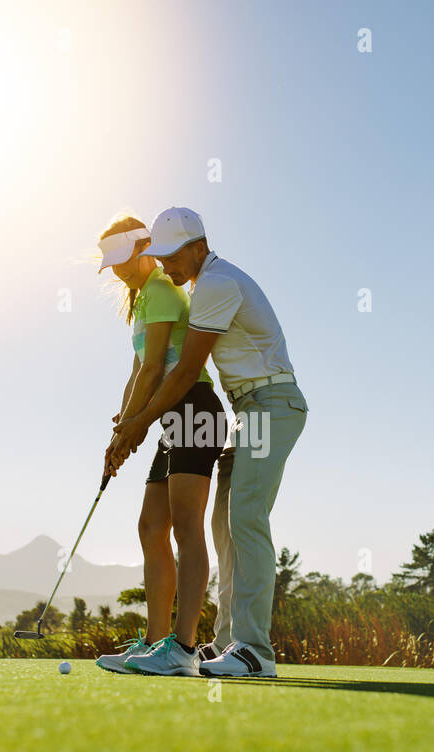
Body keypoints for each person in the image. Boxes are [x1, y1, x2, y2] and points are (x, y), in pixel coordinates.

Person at [107, 207, 307, 678]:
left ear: (198, 247)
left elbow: (181, 372)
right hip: (245, 411)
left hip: (271, 403)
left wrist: (138, 423)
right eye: (160, 256)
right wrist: (136, 421)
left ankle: (255, 649)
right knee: (224, 525)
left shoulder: (216, 284)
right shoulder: (200, 285)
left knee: (247, 518)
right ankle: (224, 645)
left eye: (172, 256)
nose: (167, 266)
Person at [91, 215, 226, 677]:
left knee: (187, 528)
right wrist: (121, 431)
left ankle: (183, 649)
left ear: (144, 245)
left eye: (123, 259)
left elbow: (154, 371)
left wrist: (132, 429)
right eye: (110, 264)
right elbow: (136, 375)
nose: (118, 270)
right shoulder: (144, 297)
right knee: (151, 526)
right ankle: (154, 643)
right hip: (171, 416)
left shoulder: (165, 291)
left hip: (195, 409)